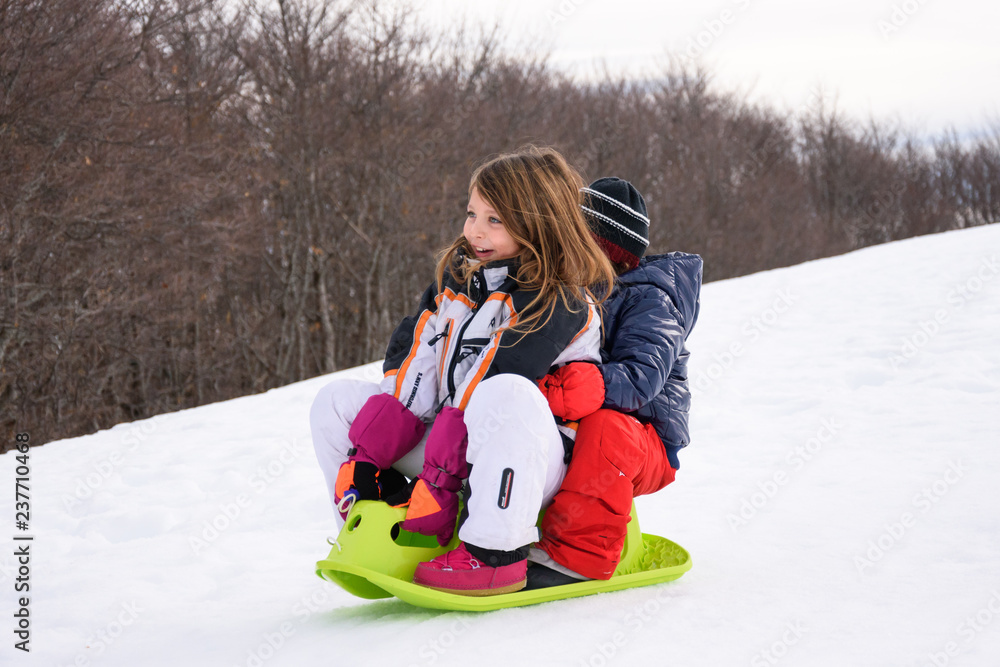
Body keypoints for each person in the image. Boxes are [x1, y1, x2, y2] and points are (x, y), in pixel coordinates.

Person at [308, 146, 617, 596]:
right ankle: (382, 519)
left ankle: (495, 553)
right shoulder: (457, 280)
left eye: (495, 220)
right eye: (472, 214)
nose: (475, 230)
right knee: (335, 404)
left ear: (538, 224)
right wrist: (369, 453)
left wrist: (441, 473)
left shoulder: (561, 298)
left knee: (506, 392)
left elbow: (500, 371)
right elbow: (416, 359)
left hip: (527, 459)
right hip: (453, 453)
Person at [530, 177, 702, 585]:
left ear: (603, 249)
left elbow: (643, 376)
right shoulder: (569, 290)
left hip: (646, 442)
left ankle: (577, 557)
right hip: (576, 418)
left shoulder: (652, 298)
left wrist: (568, 387)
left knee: (607, 430)